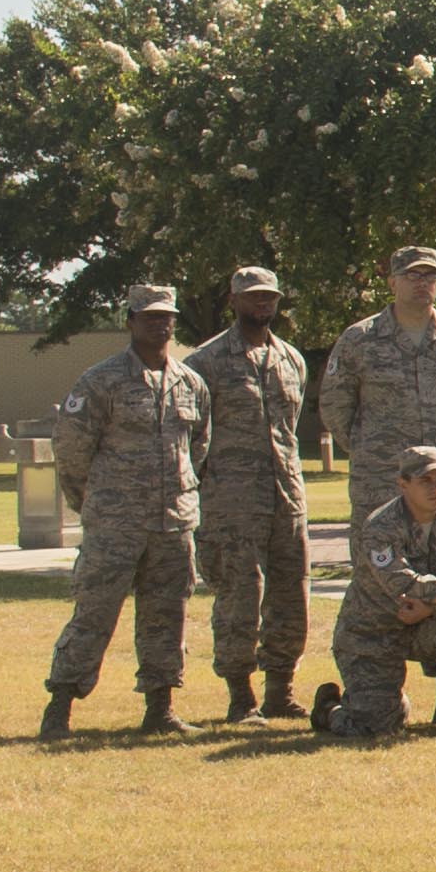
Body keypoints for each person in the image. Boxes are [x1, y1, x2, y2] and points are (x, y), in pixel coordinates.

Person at [41, 279, 206, 740]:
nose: (160, 323)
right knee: (94, 612)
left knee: (166, 616)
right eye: (149, 316)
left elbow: (200, 449)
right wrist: (92, 503)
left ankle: (161, 708)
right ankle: (60, 707)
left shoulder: (190, 383)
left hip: (172, 524)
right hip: (115, 524)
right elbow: (71, 451)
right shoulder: (101, 381)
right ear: (130, 321)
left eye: (166, 316)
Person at [183, 265, 310, 723]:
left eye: (270, 296)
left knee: (292, 597)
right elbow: (191, 437)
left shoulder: (291, 359)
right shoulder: (204, 363)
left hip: (287, 499)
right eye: (253, 296)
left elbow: (290, 432)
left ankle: (281, 690)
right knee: (240, 598)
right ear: (233, 301)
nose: (263, 303)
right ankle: (241, 696)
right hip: (231, 503)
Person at [320, 245, 436, 551]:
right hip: (383, 480)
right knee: (378, 576)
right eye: (412, 275)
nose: (422, 282)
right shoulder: (359, 339)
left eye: (430, 275)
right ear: (392, 283)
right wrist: (371, 449)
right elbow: (334, 406)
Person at [325, 443, 436, 741]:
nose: (435, 488)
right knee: (378, 727)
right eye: (424, 480)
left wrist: (431, 608)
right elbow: (404, 585)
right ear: (402, 484)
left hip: (424, 625)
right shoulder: (381, 526)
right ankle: (330, 709)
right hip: (372, 633)